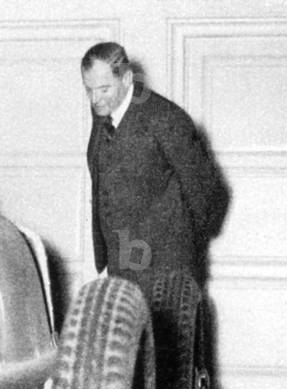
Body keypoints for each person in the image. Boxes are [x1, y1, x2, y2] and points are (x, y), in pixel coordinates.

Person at [81, 42, 227, 293]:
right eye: (89, 89)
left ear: (127, 78)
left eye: (104, 89)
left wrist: (179, 249)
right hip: (121, 268)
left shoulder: (166, 118)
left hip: (166, 273)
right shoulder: (104, 112)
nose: (96, 99)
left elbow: (208, 194)